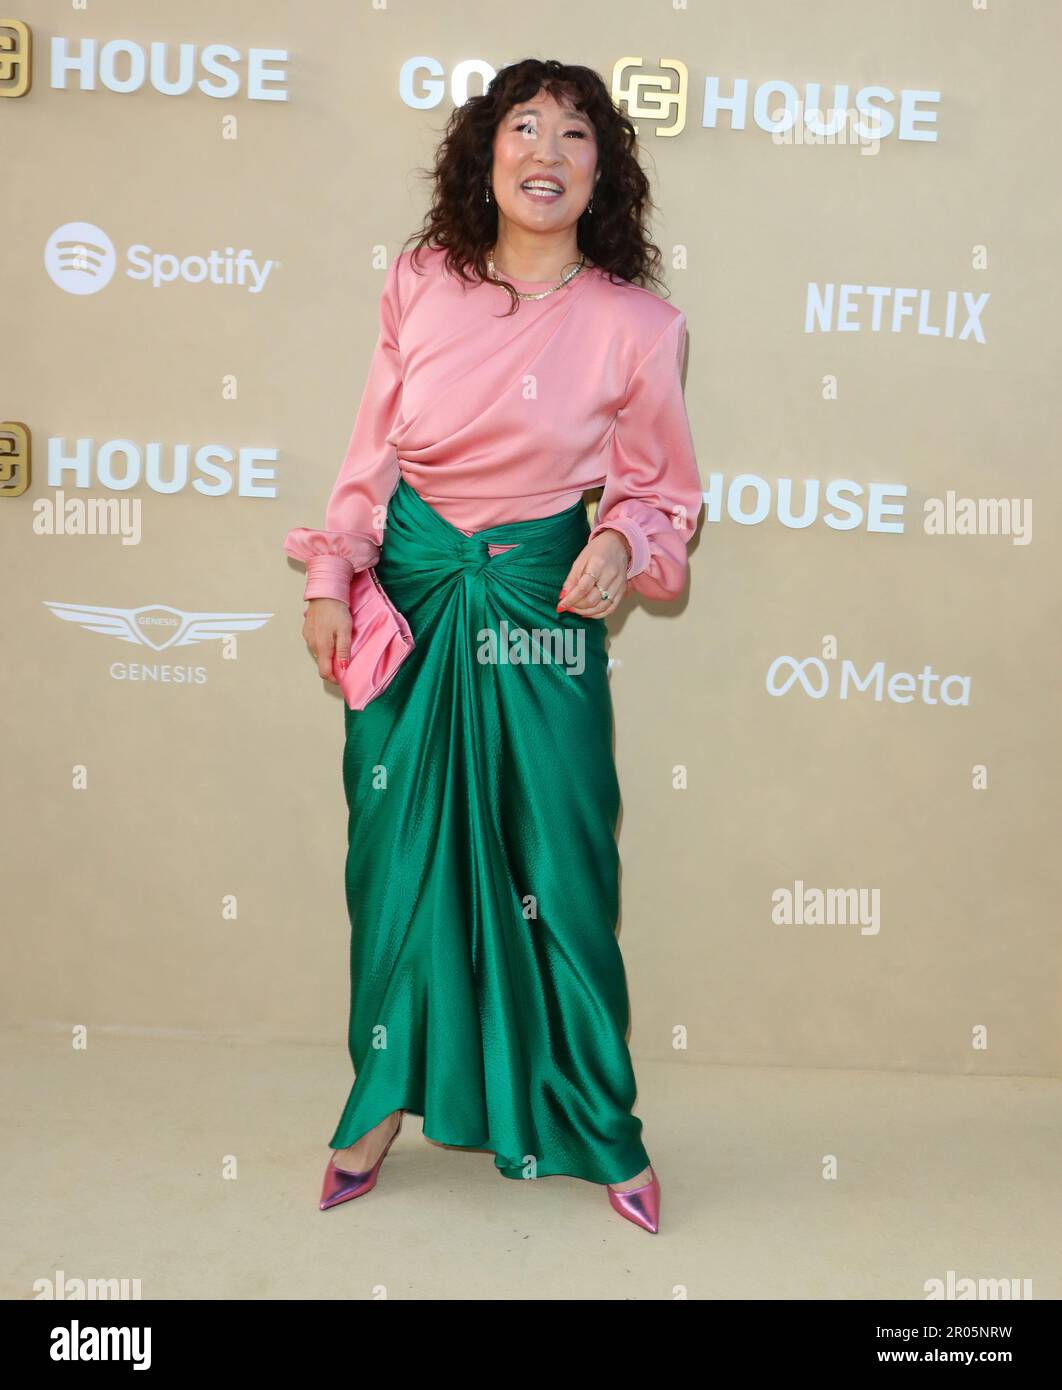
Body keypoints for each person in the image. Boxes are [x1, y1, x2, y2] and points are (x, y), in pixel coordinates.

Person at [283, 58, 701, 1234]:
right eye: (525, 127)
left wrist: (619, 543)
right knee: (396, 866)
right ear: (488, 153)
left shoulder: (638, 324)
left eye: (577, 136)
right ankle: (378, 1101)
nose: (549, 152)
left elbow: (659, 490)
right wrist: (333, 571)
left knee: (560, 869)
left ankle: (598, 1124)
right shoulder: (419, 281)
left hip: (536, 607)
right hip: (408, 599)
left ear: (603, 172)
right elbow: (369, 456)